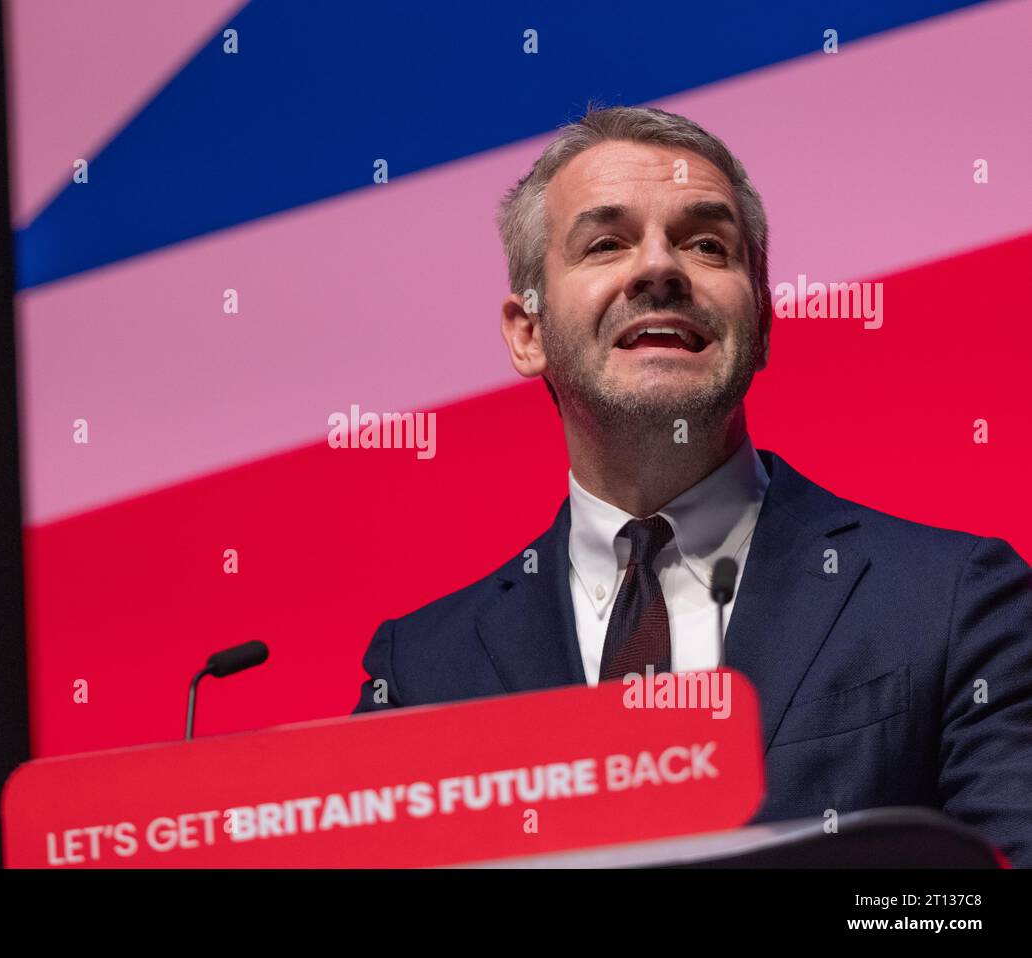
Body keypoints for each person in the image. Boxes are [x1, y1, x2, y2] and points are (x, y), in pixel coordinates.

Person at [352, 105, 1032, 867]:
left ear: (765, 323)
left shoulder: (953, 601)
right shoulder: (419, 673)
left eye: (707, 244)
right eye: (606, 243)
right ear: (528, 332)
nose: (659, 269)